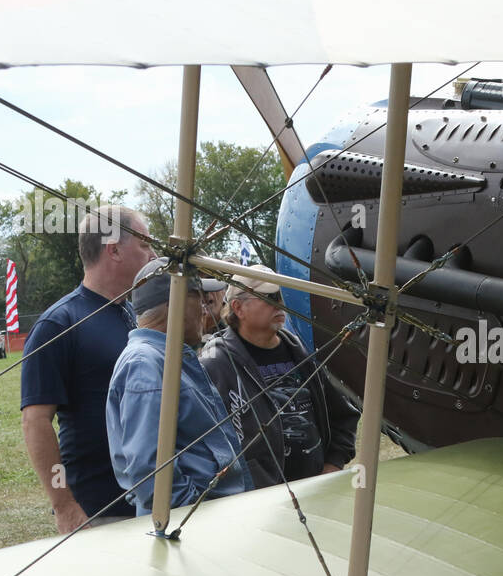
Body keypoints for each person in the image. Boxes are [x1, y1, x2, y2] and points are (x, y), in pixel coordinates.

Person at [20, 205, 157, 531]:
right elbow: (35, 421)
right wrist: (64, 505)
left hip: (148, 499)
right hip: (100, 508)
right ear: (115, 251)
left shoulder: (131, 314)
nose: (152, 255)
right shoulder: (59, 323)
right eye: (145, 245)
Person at [106, 259, 253, 516]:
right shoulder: (145, 364)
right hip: (196, 529)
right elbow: (150, 473)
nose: (206, 311)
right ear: (175, 304)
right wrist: (194, 513)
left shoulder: (169, 357)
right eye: (199, 298)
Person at [199, 265, 358, 490]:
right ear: (238, 308)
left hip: (318, 489)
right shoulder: (215, 363)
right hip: (258, 505)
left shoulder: (302, 351)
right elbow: (207, 443)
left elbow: (344, 415)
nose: (279, 303)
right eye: (269, 296)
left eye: (281, 295)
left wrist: (333, 464)